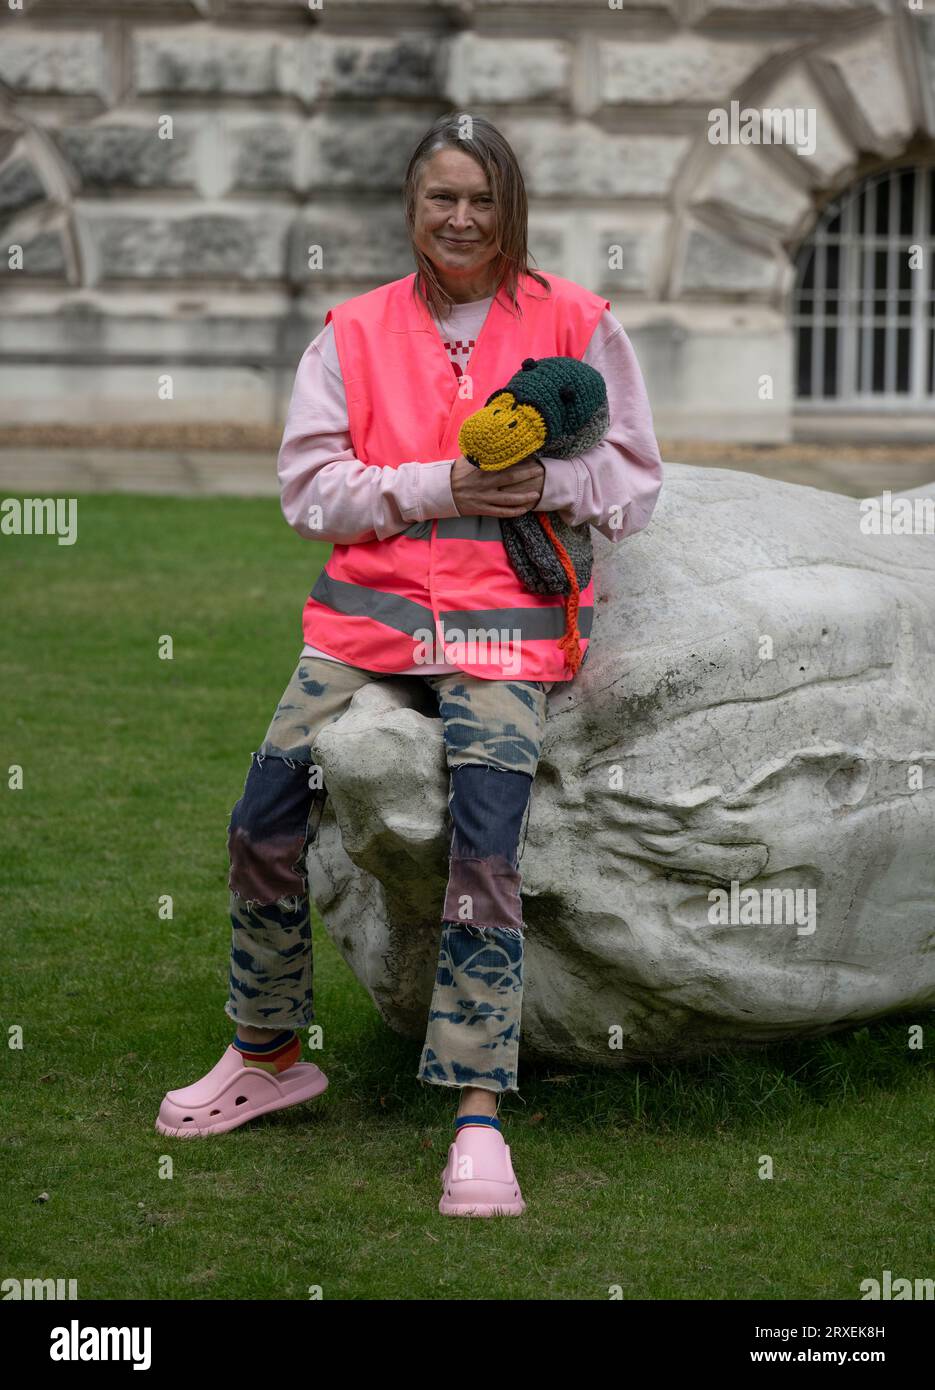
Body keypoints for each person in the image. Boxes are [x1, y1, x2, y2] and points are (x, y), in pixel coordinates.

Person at [156, 112, 663, 1217]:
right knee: (259, 819)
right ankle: (268, 1053)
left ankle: (477, 1112)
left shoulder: (577, 320)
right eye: (442, 198)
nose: (462, 220)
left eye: (482, 199)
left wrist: (549, 489)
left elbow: (633, 476)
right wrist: (437, 483)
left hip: (501, 630)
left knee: (484, 847)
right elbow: (308, 489)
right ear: (411, 204)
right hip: (362, 629)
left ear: (510, 204)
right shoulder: (351, 328)